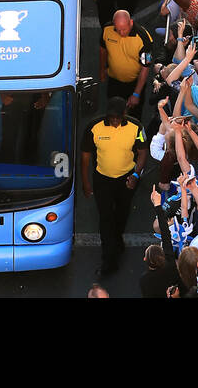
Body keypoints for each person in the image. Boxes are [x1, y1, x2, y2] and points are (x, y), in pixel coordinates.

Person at [81, 96, 146, 278]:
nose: (115, 120)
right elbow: (85, 157)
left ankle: (117, 240)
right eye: (112, 117)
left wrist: (135, 175)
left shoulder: (137, 127)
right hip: (102, 180)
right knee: (105, 218)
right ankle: (109, 260)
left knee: (122, 214)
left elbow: (142, 153)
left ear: (124, 114)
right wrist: (86, 183)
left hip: (127, 180)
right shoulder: (93, 127)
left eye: (118, 117)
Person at [100, 9, 153, 109]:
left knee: (134, 114)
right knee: (113, 111)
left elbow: (145, 67)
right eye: (118, 29)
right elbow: (102, 50)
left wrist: (136, 94)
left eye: (124, 29)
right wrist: (102, 70)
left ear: (131, 22)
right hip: (113, 82)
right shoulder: (107, 29)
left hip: (134, 84)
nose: (121, 32)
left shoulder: (144, 38)